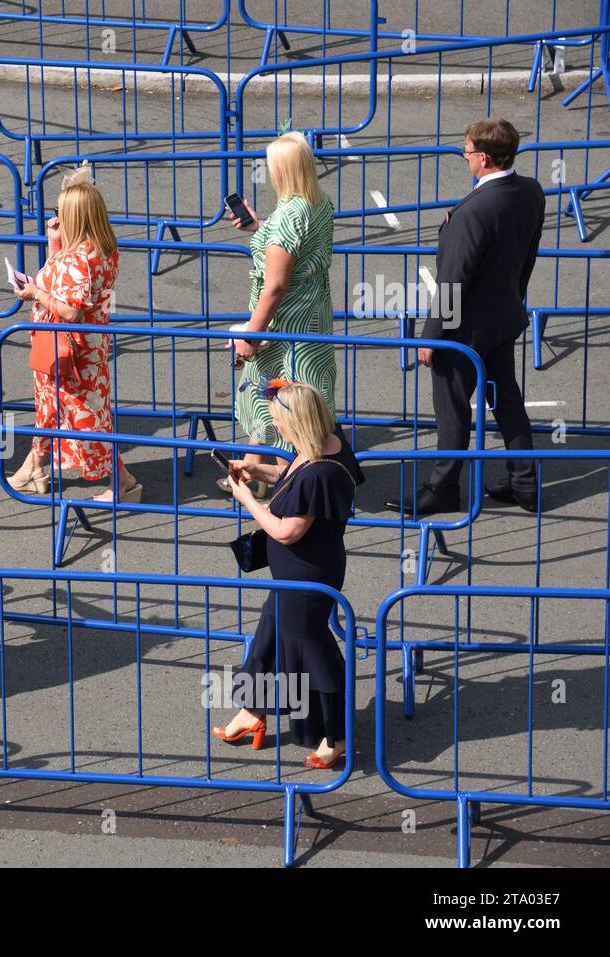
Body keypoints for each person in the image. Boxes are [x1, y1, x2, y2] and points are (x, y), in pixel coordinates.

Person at [386, 118, 545, 517]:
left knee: (452, 410)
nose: (464, 155)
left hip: (463, 330)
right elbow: (528, 255)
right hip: (503, 318)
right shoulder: (530, 191)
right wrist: (513, 297)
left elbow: (452, 281)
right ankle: (526, 482)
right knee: (506, 400)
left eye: (468, 150)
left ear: (485, 159)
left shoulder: (473, 211)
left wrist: (431, 336)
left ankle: (442, 488)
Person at [215, 380, 362, 770]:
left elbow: (286, 530)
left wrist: (247, 498)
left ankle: (338, 735)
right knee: (266, 641)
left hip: (307, 578)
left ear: (299, 424)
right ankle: (252, 711)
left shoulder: (320, 474)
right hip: (296, 573)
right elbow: (289, 475)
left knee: (317, 656)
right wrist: (254, 468)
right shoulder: (328, 441)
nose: (275, 427)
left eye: (279, 421)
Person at [7, 166, 140, 503]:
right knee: (52, 410)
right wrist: (55, 243)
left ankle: (122, 482)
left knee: (86, 420)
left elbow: (71, 310)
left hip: (68, 349)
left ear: (76, 216)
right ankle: (34, 468)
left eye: (60, 213)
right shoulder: (103, 249)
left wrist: (34, 294)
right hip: (84, 347)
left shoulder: (79, 260)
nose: (56, 217)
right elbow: (60, 278)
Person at [225, 132, 337, 500]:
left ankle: (297, 483)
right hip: (312, 318)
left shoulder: (290, 215)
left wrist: (250, 336)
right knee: (296, 402)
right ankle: (254, 471)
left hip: (283, 328)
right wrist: (260, 227)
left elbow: (275, 285)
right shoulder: (318, 203)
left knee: (276, 400)